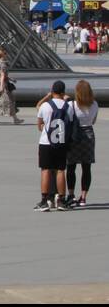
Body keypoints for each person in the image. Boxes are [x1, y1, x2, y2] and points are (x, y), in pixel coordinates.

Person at [34, 80, 74, 211]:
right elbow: (70, 123)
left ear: (52, 91)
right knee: (60, 170)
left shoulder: (45, 106)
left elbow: (39, 125)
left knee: (45, 170)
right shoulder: (68, 106)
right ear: (63, 92)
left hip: (46, 142)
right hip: (61, 142)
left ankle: (45, 200)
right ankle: (61, 200)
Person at [65, 79, 98, 207]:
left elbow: (68, 119)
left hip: (74, 136)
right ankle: (83, 197)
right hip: (89, 135)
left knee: (71, 166)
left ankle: (71, 194)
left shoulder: (72, 104)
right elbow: (93, 121)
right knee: (86, 167)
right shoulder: (94, 104)